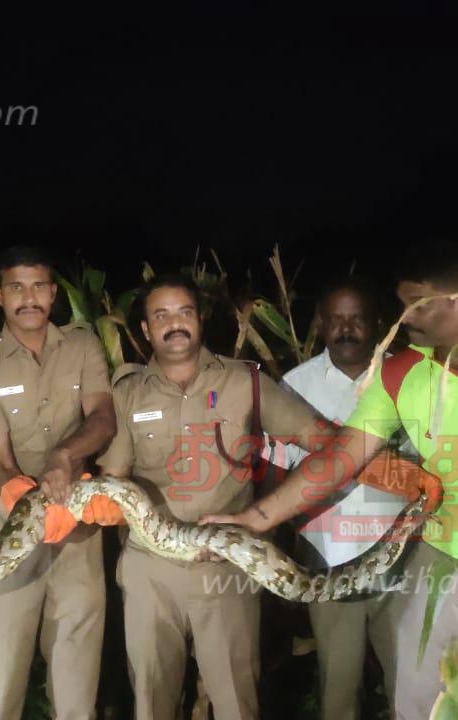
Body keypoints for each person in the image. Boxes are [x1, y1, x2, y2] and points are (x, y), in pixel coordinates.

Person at [203, 244, 458, 720]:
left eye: (417, 307)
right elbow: (340, 458)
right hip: (439, 565)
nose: (403, 320)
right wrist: (253, 518)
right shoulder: (401, 372)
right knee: (419, 701)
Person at [98, 274, 337, 720]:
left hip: (230, 566)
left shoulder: (244, 381)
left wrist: (273, 507)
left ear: (200, 320)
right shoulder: (127, 394)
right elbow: (113, 480)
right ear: (146, 329)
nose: (175, 324)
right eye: (161, 315)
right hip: (151, 572)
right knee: (151, 699)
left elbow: (320, 440)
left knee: (235, 700)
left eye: (184, 312)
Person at [0, 246, 120, 720]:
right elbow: (1, 463)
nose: (29, 298)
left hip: (78, 520)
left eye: (39, 286)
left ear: (53, 293)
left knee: (76, 675)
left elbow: (103, 417)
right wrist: (30, 504)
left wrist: (65, 456)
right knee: (2, 675)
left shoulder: (83, 345)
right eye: (16, 287)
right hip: (7, 521)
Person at [270, 278, 411, 720]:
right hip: (326, 562)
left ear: (378, 324)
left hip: (405, 563)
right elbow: (273, 472)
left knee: (411, 687)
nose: (345, 329)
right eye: (335, 319)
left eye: (356, 320)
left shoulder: (409, 376)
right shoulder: (293, 386)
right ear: (320, 325)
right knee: (338, 692)